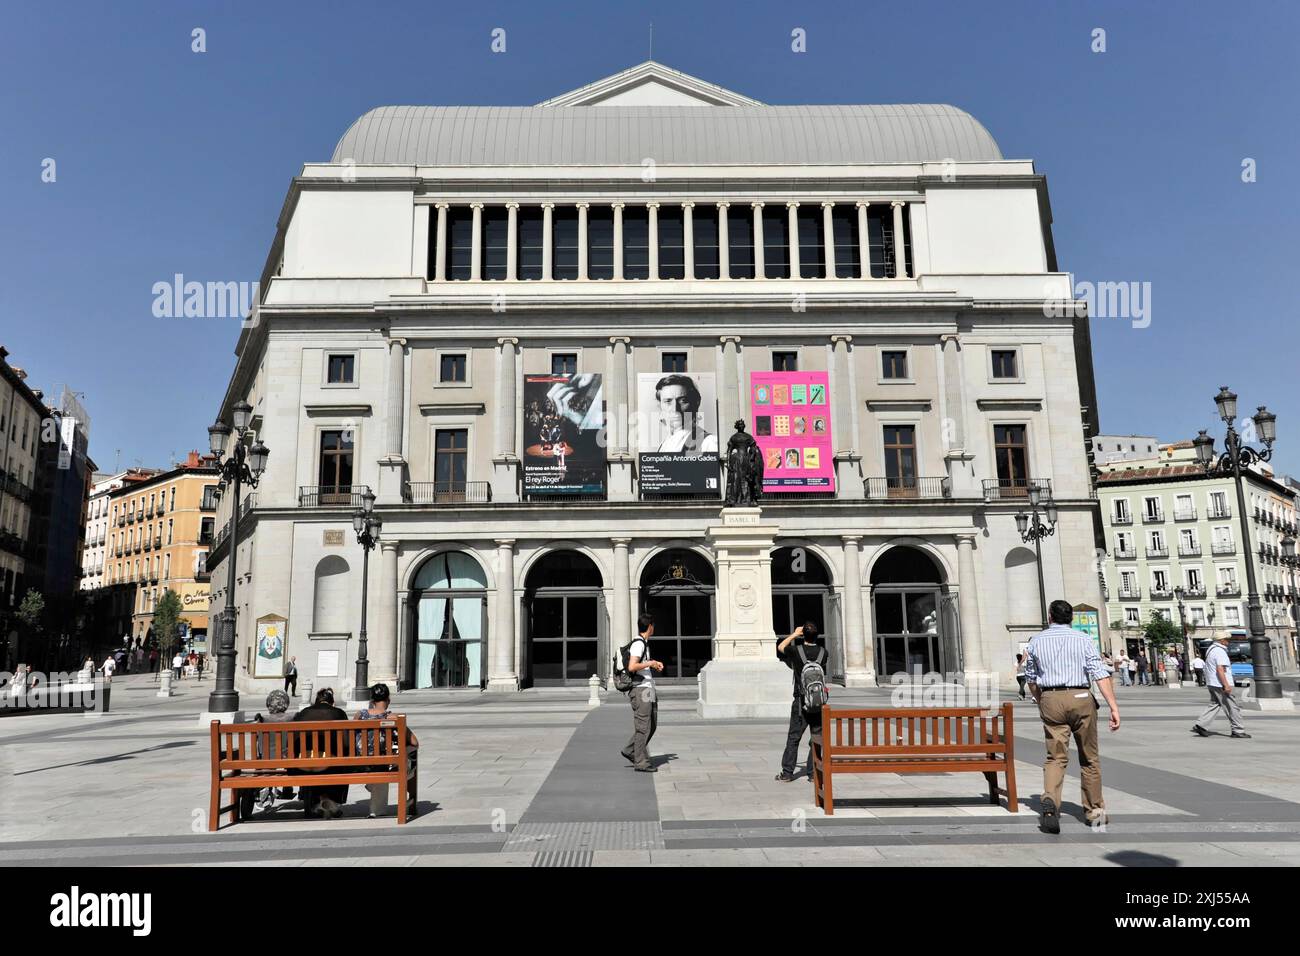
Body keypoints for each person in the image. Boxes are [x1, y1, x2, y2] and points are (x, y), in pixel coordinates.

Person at [1024, 599, 1121, 833]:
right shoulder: (1084, 639)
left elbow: (1031, 678)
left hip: (1050, 697)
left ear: (1050, 617)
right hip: (1080, 697)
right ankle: (1094, 811)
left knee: (1055, 757)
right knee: (1089, 757)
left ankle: (1050, 803)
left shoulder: (1036, 641)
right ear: (1072, 618)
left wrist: (1041, 701)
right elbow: (1099, 674)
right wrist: (1113, 707)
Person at [774, 623, 829, 782]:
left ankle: (787, 773)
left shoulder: (796, 651)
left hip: (800, 701)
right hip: (818, 703)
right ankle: (813, 774)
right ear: (817, 636)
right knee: (817, 738)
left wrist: (794, 634)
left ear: (803, 635)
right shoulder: (823, 653)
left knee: (794, 738)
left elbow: (781, 647)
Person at [293, 688, 351, 817]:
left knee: (312, 760)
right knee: (340, 762)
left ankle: (317, 802)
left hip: (301, 766)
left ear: (316, 701)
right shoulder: (338, 713)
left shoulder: (303, 713)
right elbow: (347, 744)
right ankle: (330, 801)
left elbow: (292, 742)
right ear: (332, 703)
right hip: (329, 766)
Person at [620, 613, 664, 773]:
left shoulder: (644, 644)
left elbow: (642, 665)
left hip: (647, 688)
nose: (654, 628)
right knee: (643, 726)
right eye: (654, 625)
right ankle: (640, 762)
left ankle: (631, 750)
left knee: (651, 724)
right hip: (640, 690)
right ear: (650, 626)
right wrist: (650, 663)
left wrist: (653, 664)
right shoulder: (638, 644)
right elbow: (632, 666)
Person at [1192, 634, 1250, 739]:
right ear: (1222, 640)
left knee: (1215, 704)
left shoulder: (1210, 649)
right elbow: (1220, 669)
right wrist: (1226, 685)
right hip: (1220, 683)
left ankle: (1201, 725)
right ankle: (1238, 730)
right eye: (1227, 640)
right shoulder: (1219, 651)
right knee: (1232, 707)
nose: (1229, 642)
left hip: (1212, 683)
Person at [355, 683, 400, 819]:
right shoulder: (392, 717)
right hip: (382, 762)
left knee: (377, 760)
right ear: (388, 700)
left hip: (359, 763)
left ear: (372, 701)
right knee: (391, 758)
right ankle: (377, 809)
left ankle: (372, 786)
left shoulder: (359, 715)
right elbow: (414, 741)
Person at [651, 374, 718, 453]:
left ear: (696, 403)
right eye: (668, 401)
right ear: (660, 406)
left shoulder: (708, 443)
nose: (675, 409)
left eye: (683, 400)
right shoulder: (664, 444)